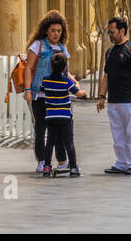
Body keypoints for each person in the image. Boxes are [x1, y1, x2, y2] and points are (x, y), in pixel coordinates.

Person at [96, 16, 131, 175]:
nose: (110, 35)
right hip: (113, 101)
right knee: (117, 133)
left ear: (122, 30)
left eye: (112, 32)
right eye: (108, 32)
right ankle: (121, 162)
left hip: (129, 101)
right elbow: (106, 76)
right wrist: (102, 97)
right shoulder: (110, 52)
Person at [23, 11, 71, 175]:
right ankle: (42, 160)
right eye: (53, 31)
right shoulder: (38, 45)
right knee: (41, 128)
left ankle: (62, 161)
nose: (56, 34)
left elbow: (66, 71)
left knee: (58, 129)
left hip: (58, 96)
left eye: (59, 31)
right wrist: (28, 90)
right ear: (46, 31)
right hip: (40, 94)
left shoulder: (63, 48)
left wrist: (74, 84)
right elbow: (28, 68)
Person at [38, 52, 86, 177]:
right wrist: (81, 88)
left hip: (51, 116)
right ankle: (74, 168)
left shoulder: (46, 79)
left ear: (51, 66)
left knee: (50, 142)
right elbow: (78, 93)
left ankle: (47, 167)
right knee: (68, 142)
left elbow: (42, 89)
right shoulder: (66, 81)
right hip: (64, 117)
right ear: (65, 67)